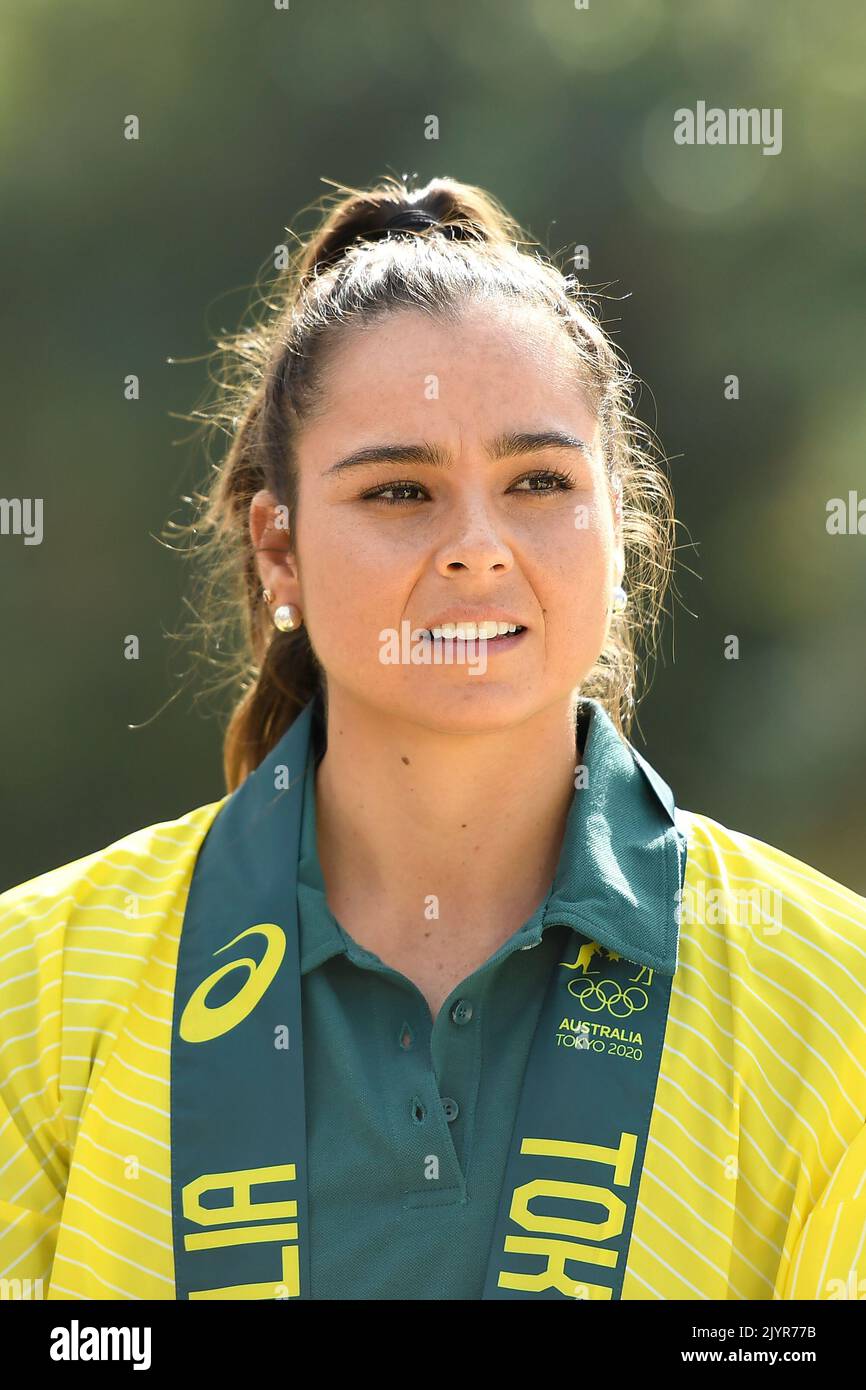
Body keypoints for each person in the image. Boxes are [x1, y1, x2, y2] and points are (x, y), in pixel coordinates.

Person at [2, 175, 865, 1303]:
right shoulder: (36, 989)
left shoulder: (832, 1004)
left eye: (538, 481)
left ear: (620, 522)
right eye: (401, 490)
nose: (475, 547)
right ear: (280, 550)